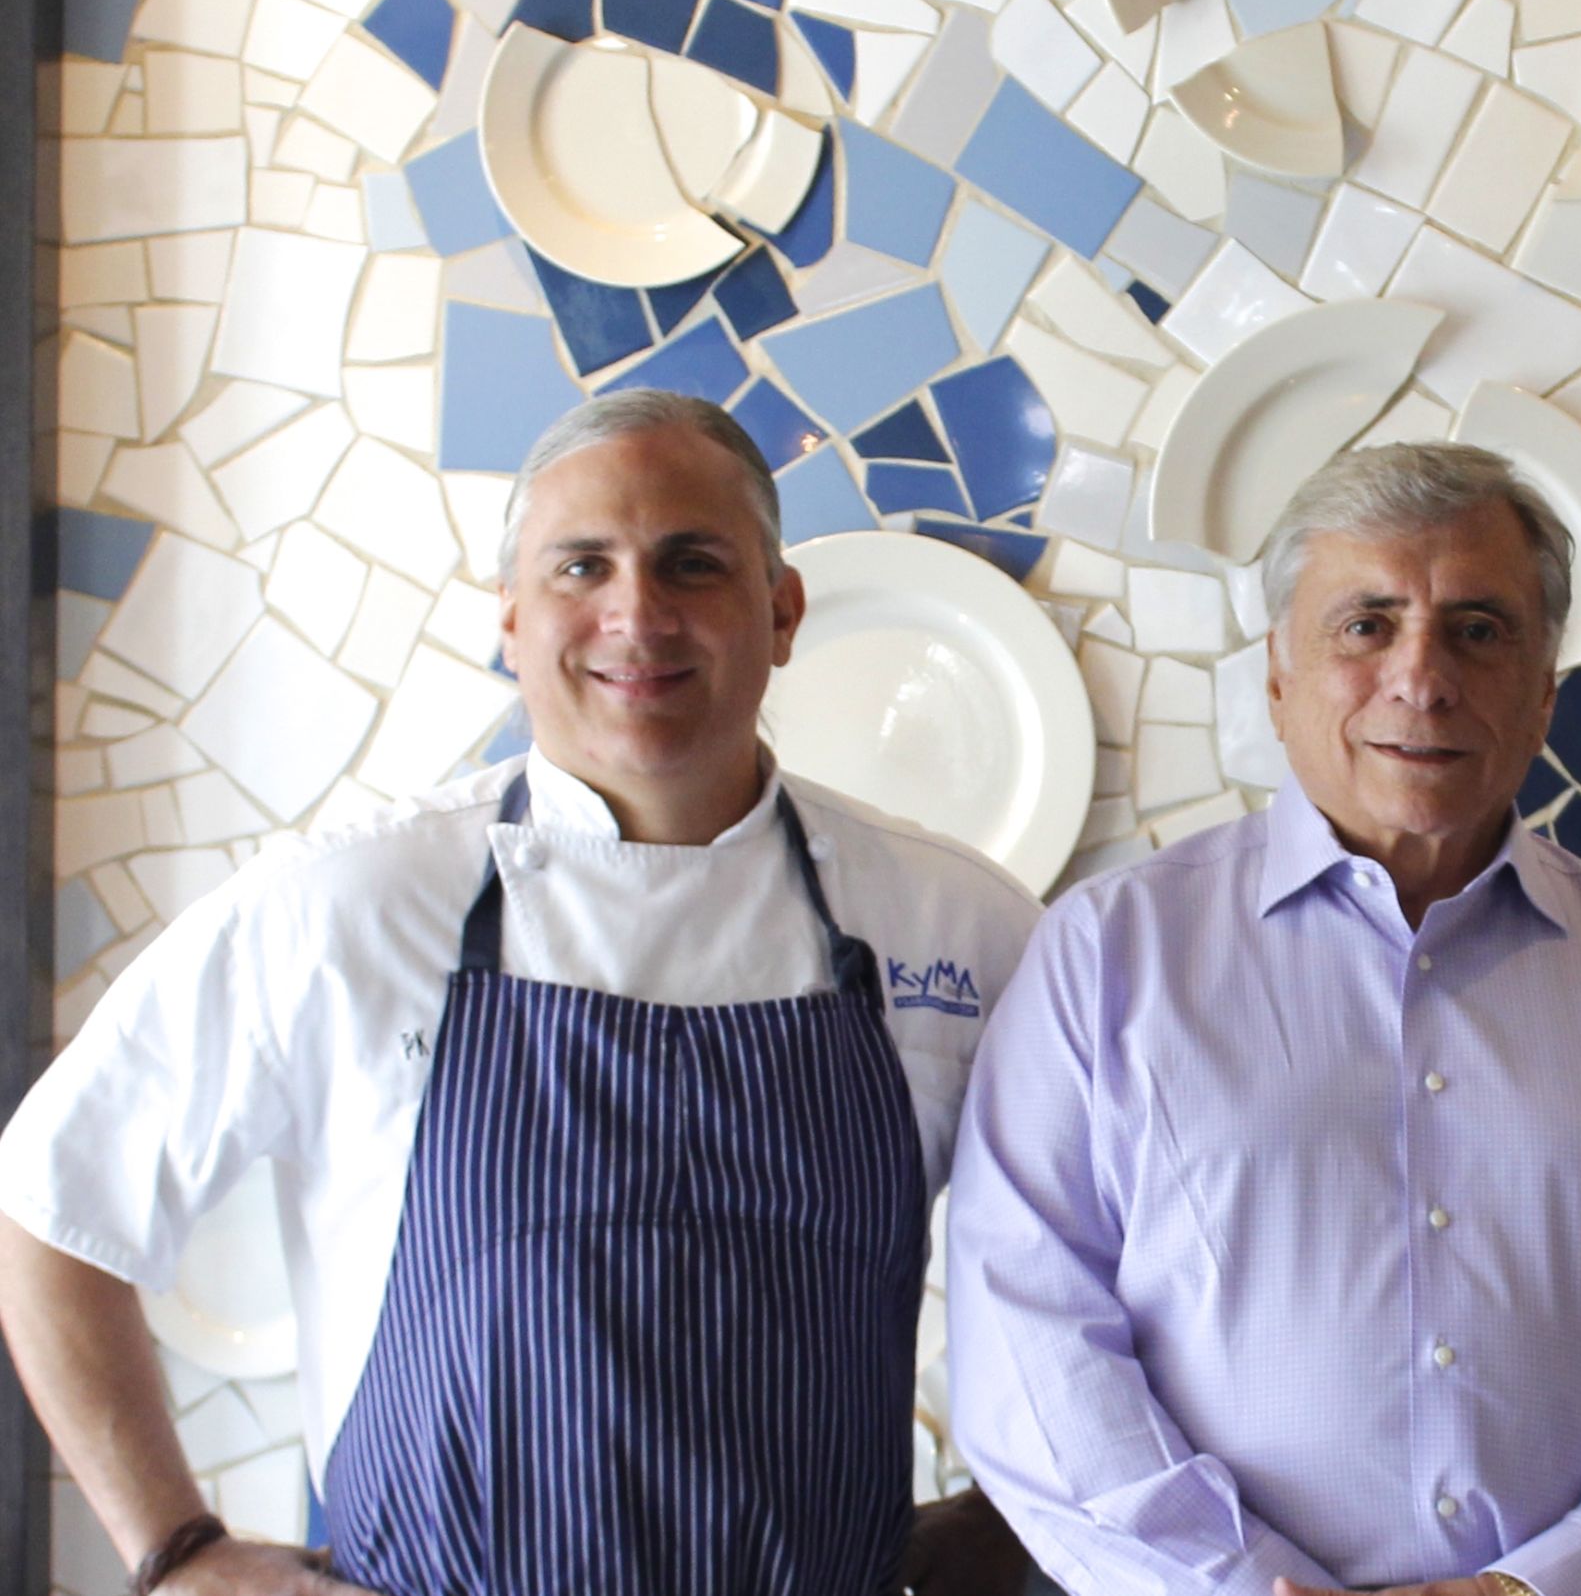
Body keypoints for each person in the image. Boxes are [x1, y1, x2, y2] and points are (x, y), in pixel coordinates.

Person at [0, 390, 1040, 1595]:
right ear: (509, 619)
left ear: (783, 609)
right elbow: (48, 1207)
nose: (635, 614)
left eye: (691, 563)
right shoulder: (347, 903)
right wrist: (178, 1553)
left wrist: (1022, 1516)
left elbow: (1134, 1248)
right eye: (580, 566)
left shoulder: (957, 926)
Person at [945, 442, 1581, 1596]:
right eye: (1365, 625)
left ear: (1547, 689)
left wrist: (1542, 1590)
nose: (1421, 679)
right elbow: (1031, 1352)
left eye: (1478, 629)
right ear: (1277, 675)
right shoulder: (1103, 960)